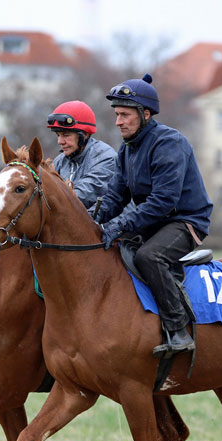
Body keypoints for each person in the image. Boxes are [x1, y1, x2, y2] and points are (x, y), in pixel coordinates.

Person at [94, 73, 213, 356]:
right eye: (116, 114)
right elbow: (114, 197)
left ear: (145, 114)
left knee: (150, 256)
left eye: (124, 115)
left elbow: (163, 201)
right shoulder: (126, 150)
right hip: (152, 223)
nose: (118, 121)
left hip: (184, 221)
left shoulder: (169, 143)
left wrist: (120, 223)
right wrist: (91, 222)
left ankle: (178, 330)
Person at [47, 100, 118, 210]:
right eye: (58, 135)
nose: (60, 141)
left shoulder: (106, 158)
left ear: (84, 134)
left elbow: (80, 197)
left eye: (66, 135)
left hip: (112, 226)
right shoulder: (59, 161)